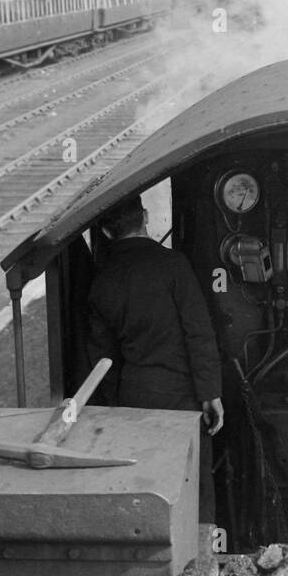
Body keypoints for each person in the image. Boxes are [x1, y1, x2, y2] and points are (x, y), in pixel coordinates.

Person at [86, 194, 224, 524]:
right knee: (193, 484)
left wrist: (112, 406)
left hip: (134, 398)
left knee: (145, 483)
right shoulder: (173, 264)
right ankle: (199, 560)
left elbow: (101, 358)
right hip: (182, 396)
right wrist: (210, 393)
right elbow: (198, 332)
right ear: (145, 217)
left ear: (106, 232)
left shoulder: (103, 282)